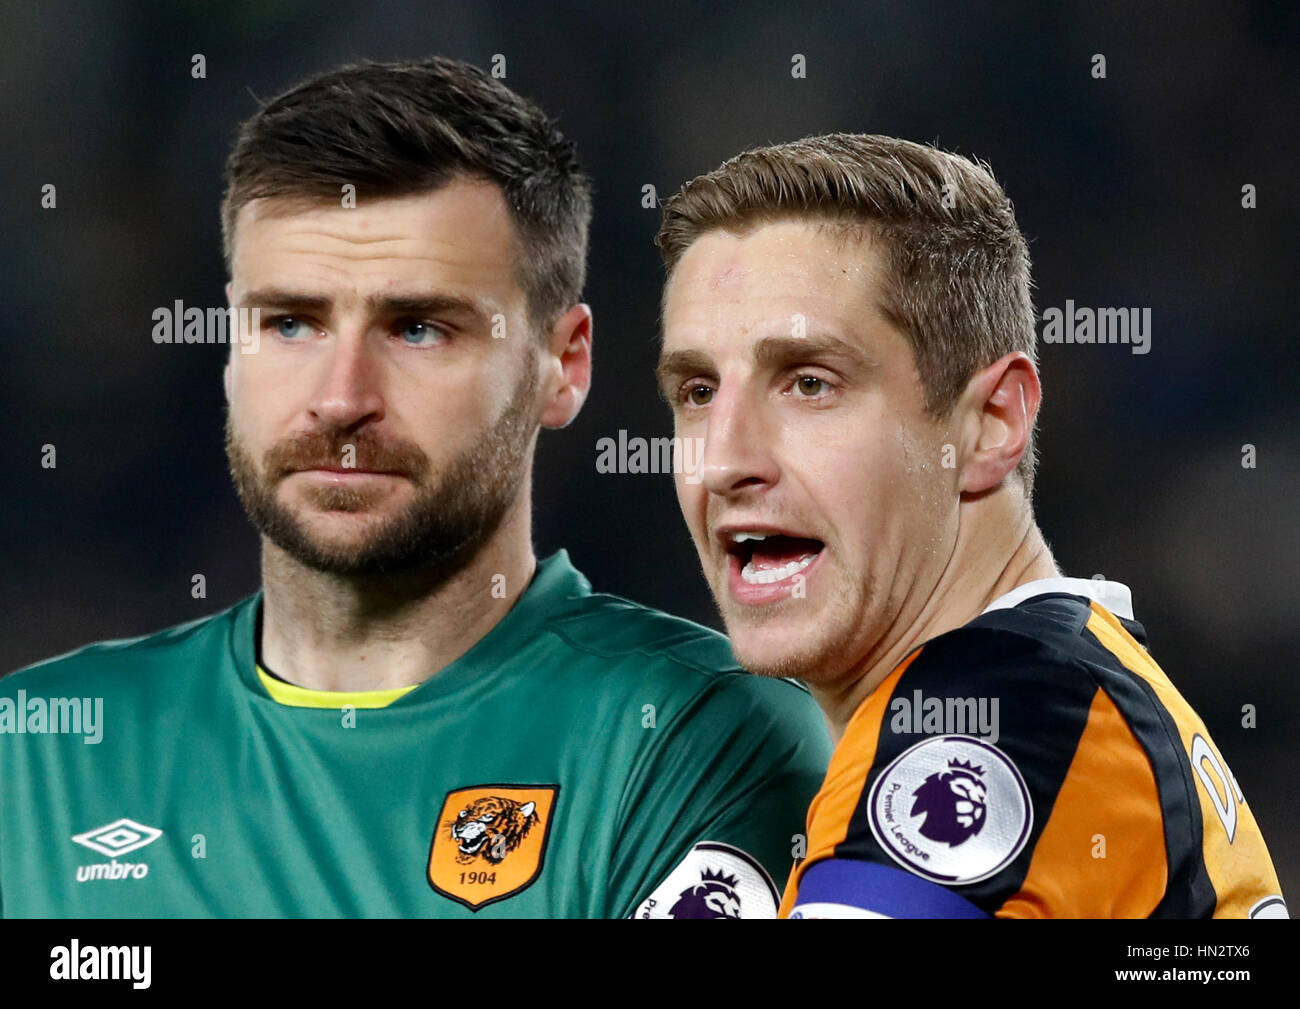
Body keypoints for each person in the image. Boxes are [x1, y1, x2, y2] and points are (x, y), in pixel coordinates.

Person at [0, 57, 830, 919]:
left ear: (563, 362)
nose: (343, 398)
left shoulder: (696, 740)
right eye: (289, 322)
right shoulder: (37, 747)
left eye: (419, 328)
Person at [653, 133, 1287, 919]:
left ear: (990, 422)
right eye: (697, 392)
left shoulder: (1006, 722)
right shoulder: (1075, 694)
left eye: (810, 383)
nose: (724, 461)